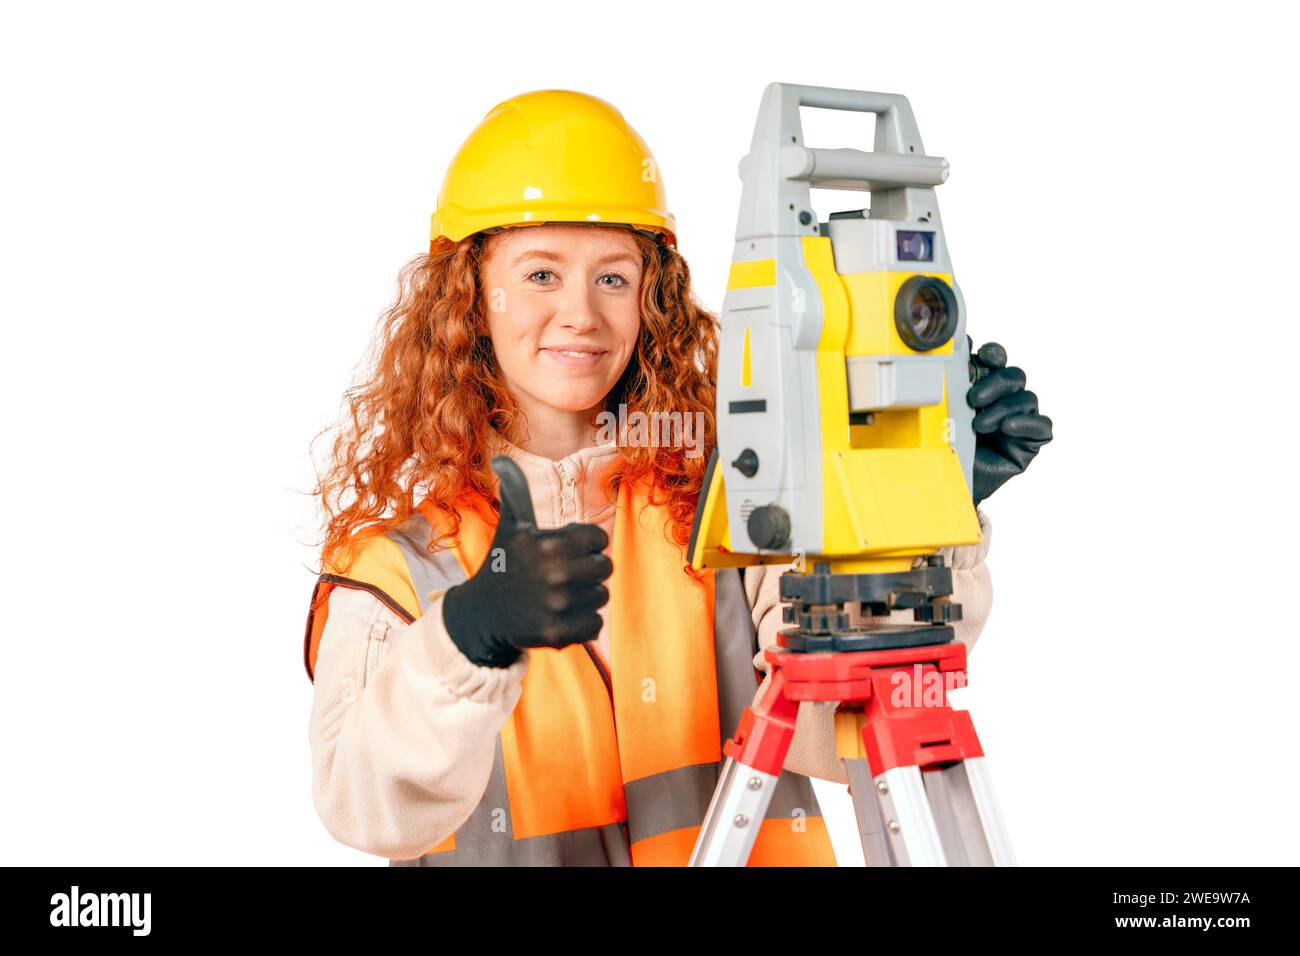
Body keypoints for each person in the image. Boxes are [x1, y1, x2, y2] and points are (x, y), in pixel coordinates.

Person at [303, 89, 1051, 866]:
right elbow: (370, 809)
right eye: (540, 275)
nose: (581, 315)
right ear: (467, 298)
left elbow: (844, 730)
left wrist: (924, 500)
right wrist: (467, 637)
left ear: (650, 296)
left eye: (614, 278)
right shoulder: (397, 566)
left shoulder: (724, 509)